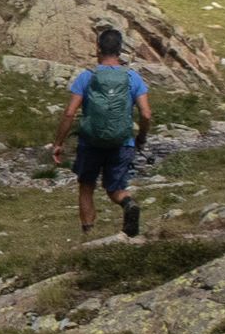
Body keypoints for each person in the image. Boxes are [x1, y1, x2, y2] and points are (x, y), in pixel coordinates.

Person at [52, 25, 151, 239]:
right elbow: (146, 114)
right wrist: (141, 138)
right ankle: (128, 202)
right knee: (115, 189)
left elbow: (69, 113)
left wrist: (58, 143)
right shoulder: (133, 78)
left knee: (86, 186)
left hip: (90, 143)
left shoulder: (87, 77)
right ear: (120, 50)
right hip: (122, 142)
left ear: (98, 48)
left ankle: (88, 233)